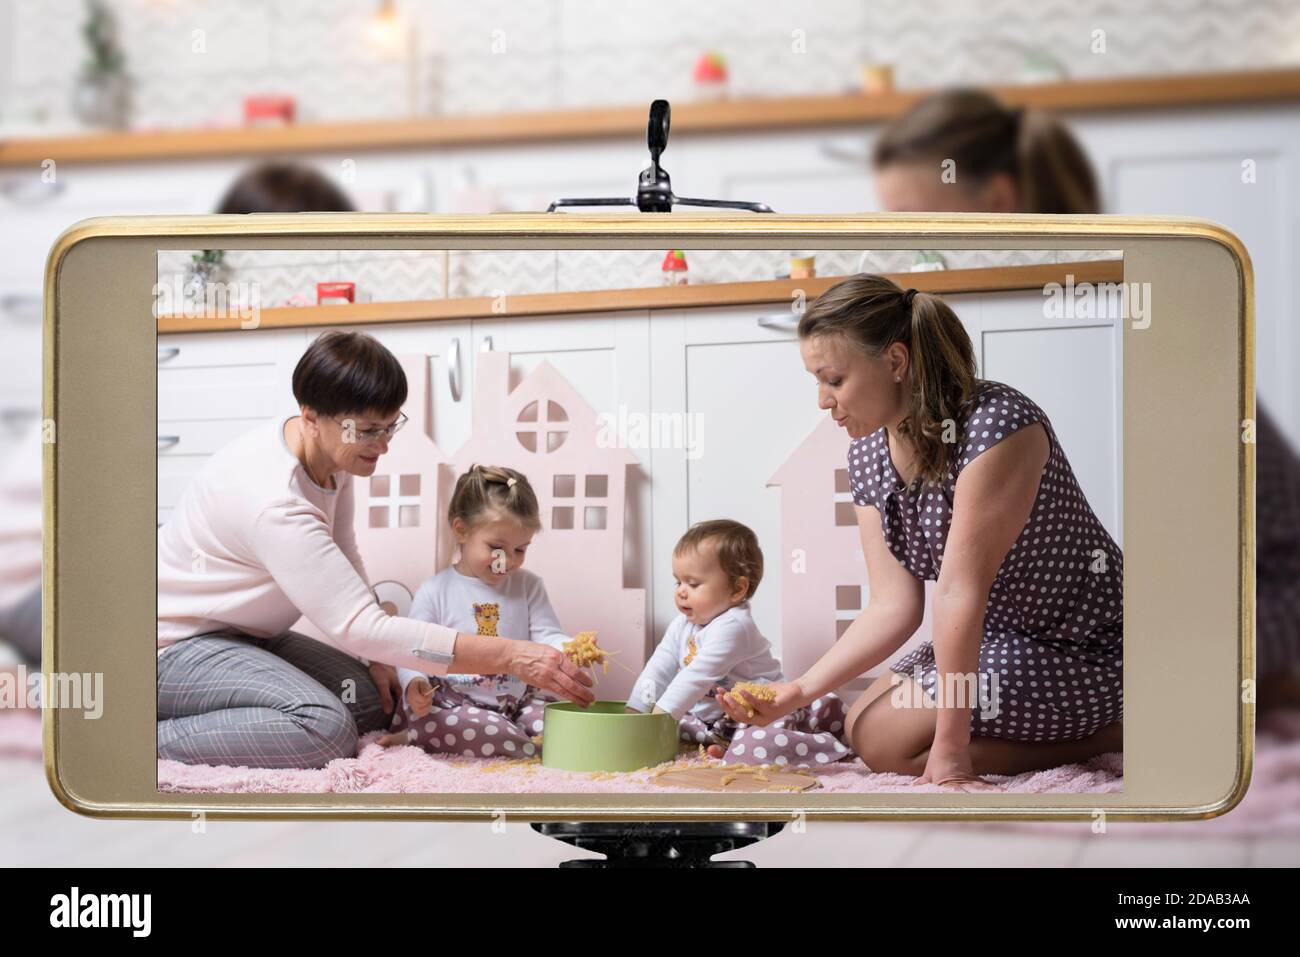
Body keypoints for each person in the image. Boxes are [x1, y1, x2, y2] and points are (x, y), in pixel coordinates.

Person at [156, 332, 593, 769]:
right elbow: (358, 624)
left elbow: (345, 558)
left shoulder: (328, 461)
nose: (383, 445)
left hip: (252, 638)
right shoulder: (275, 501)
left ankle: (231, 714)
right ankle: (140, 738)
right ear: (311, 416)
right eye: (367, 431)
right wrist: (512, 656)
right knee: (324, 729)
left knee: (372, 701)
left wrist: (376, 657)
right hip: (178, 648)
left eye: (390, 426)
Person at [380, 465, 574, 758]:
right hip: (454, 703)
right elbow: (411, 650)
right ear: (461, 530)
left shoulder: (528, 585)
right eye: (497, 548)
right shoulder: (435, 590)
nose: (507, 562)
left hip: (517, 699)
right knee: (479, 728)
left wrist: (572, 650)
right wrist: (414, 683)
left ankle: (510, 734)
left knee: (563, 722)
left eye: (520, 549)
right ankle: (422, 734)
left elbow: (548, 636)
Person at [625, 520, 851, 767]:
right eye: (677, 582)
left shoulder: (733, 627)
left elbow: (696, 677)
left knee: (764, 739)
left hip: (760, 713)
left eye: (693, 584)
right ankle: (728, 747)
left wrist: (659, 719)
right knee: (684, 725)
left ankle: (827, 748)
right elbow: (660, 664)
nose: (681, 591)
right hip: (716, 719)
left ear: (736, 589)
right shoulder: (682, 624)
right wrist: (636, 710)